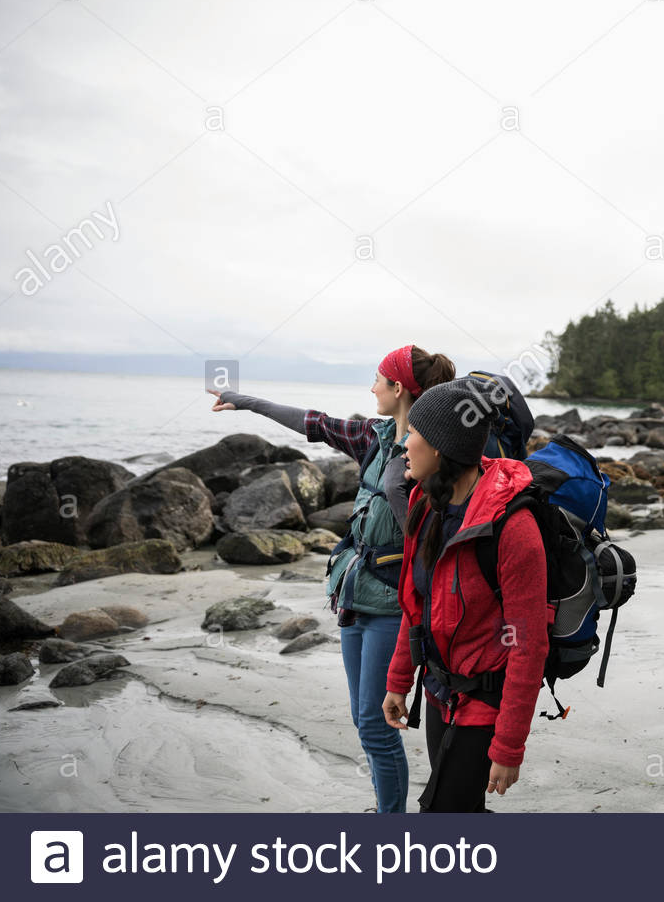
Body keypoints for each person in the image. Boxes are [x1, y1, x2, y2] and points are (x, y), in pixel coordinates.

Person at [207, 346, 455, 812]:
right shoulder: (374, 438)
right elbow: (314, 422)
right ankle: (392, 811)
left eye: (378, 378)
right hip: (354, 595)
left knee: (376, 724)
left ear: (398, 388)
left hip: (393, 606)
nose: (372, 387)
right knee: (367, 725)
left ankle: (392, 824)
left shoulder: (432, 453)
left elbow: (434, 532)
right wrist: (246, 402)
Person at [381, 378, 549, 812]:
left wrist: (509, 745)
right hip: (439, 691)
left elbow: (528, 645)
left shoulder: (513, 529)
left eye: (413, 434)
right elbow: (416, 603)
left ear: (439, 448)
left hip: (485, 703)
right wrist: (400, 680)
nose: (404, 444)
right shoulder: (426, 504)